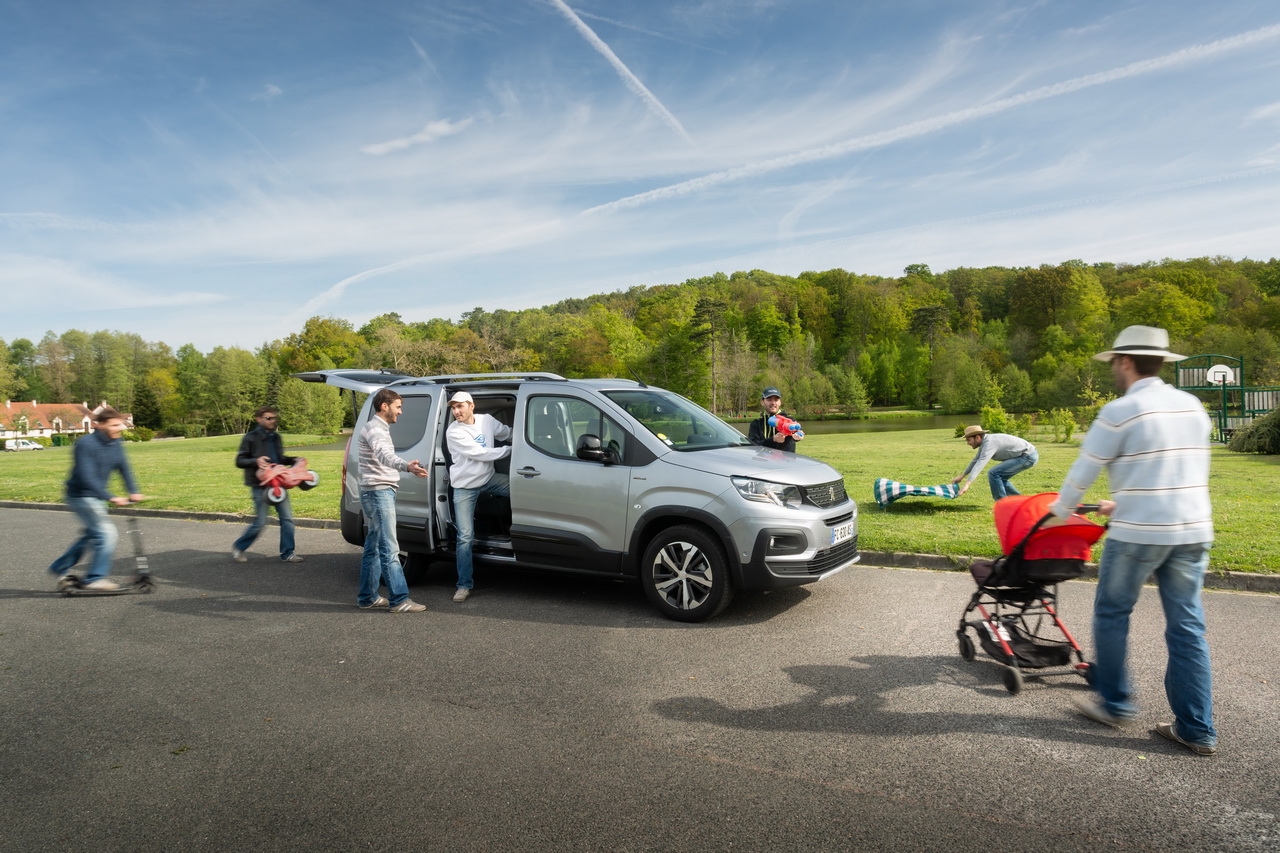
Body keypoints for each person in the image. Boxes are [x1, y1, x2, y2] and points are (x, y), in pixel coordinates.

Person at [1049, 325, 1217, 756]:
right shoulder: (1193, 406)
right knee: (1187, 628)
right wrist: (1120, 503)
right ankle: (1196, 729)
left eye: (1115, 365)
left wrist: (1059, 514)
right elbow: (1176, 474)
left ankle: (1117, 702)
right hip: (1193, 529)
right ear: (1160, 362)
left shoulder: (1121, 410)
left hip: (1139, 535)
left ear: (1125, 362)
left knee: (1111, 613)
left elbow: (1083, 470)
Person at [48, 407, 145, 590]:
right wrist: (111, 497)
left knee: (93, 535)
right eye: (114, 425)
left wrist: (133, 490)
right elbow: (86, 476)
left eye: (121, 425)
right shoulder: (86, 444)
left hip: (96, 497)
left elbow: (124, 467)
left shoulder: (115, 443)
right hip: (80, 495)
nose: (120, 428)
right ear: (100, 425)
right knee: (106, 533)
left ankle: (59, 567)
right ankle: (95, 578)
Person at [356, 388, 429, 612]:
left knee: (374, 547)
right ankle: (399, 599)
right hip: (379, 492)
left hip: (374, 491)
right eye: (398, 407)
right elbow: (384, 456)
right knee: (389, 547)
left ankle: (368, 597)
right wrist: (406, 466)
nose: (401, 412)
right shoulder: (376, 430)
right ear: (384, 406)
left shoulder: (373, 427)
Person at [445, 391, 512, 602]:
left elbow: (508, 433)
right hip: (465, 487)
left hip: (489, 478)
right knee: (465, 536)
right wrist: (511, 450)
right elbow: (480, 454)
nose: (456, 411)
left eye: (460, 406)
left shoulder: (487, 421)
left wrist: (530, 440)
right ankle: (464, 585)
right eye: (453, 408)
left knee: (524, 489)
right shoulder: (453, 432)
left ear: (471, 406)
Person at [232, 406, 303, 563]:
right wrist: (255, 461)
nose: (273, 421)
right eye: (269, 418)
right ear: (259, 419)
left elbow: (279, 459)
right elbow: (239, 460)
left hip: (279, 484)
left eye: (274, 418)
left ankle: (287, 553)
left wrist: (294, 459)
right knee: (261, 522)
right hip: (260, 486)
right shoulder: (250, 438)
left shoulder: (276, 437)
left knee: (288, 520)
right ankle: (238, 547)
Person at [952, 425, 1038, 500]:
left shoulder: (989, 443)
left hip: (1027, 456)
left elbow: (981, 463)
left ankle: (1002, 503)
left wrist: (967, 484)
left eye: (969, 440)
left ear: (978, 437)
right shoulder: (984, 443)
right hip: (1026, 456)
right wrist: (962, 476)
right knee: (999, 478)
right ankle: (1021, 501)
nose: (968, 443)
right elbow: (975, 460)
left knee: (993, 473)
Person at [747, 387, 803, 452]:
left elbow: (797, 433)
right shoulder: (756, 423)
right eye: (769, 400)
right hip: (763, 460)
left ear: (780, 402)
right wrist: (772, 440)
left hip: (786, 461)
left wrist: (798, 436)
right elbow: (753, 446)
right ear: (762, 402)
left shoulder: (790, 420)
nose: (773, 403)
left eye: (776, 400)